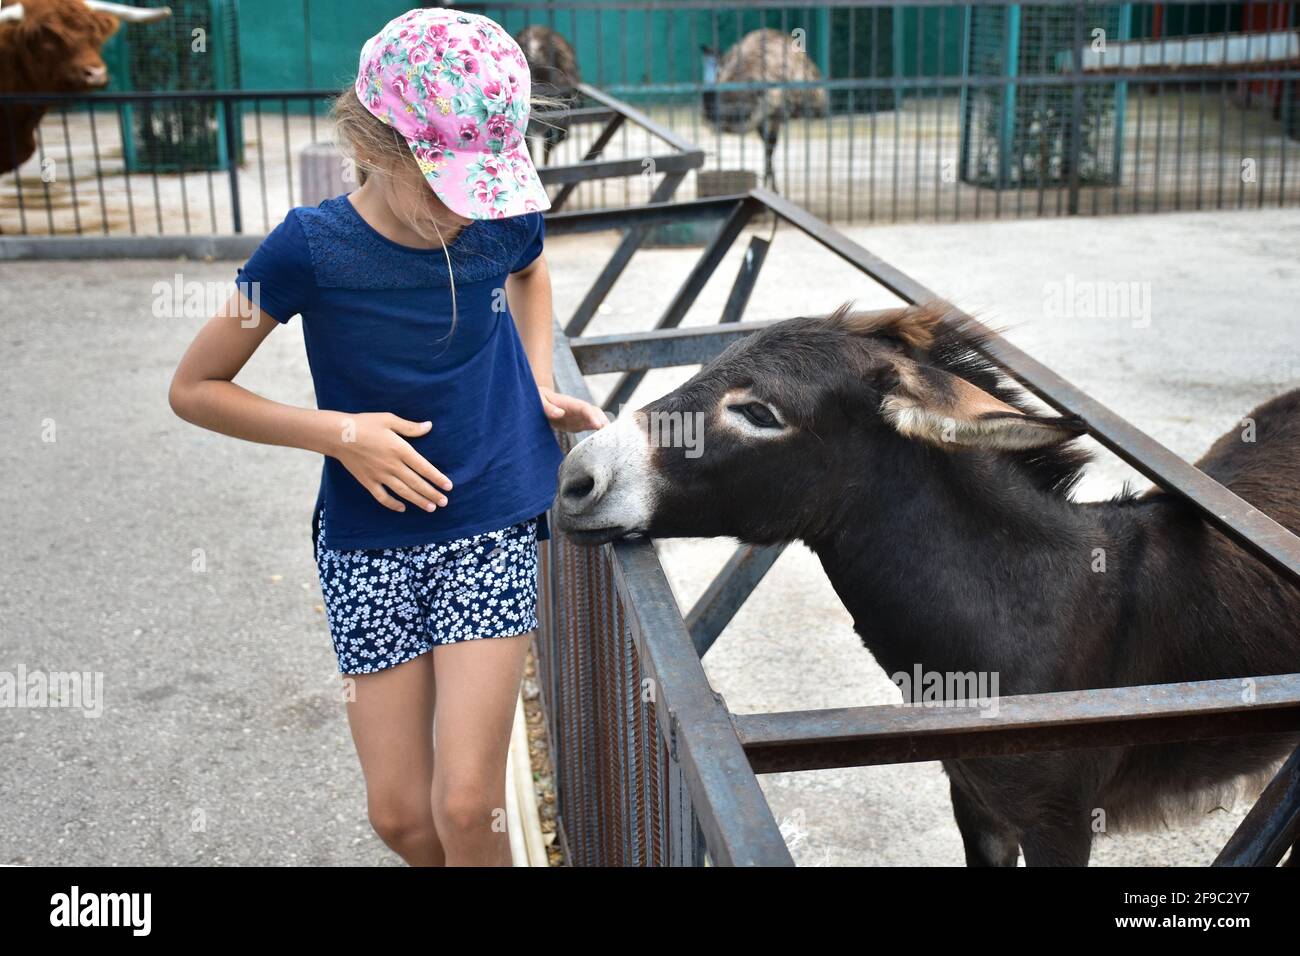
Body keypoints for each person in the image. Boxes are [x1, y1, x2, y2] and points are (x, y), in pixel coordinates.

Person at [168, 7, 606, 866]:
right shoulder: (307, 249)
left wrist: (536, 378)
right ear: (373, 145)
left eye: (476, 181)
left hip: (491, 514)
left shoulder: (496, 218)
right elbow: (194, 388)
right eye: (441, 180)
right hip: (368, 542)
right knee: (402, 818)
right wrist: (341, 435)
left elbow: (531, 267)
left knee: (467, 802)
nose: (459, 207)